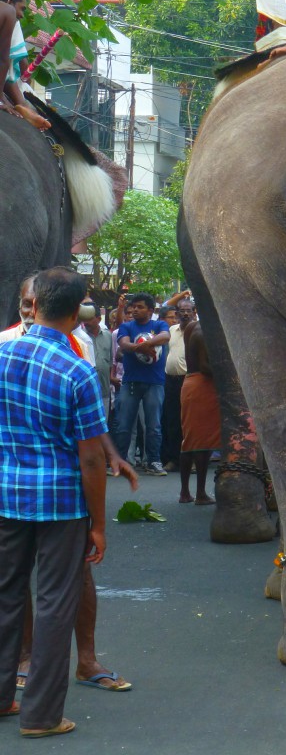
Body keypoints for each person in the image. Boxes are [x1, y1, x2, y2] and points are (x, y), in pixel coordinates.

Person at [0, 267, 109, 737]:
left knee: (7, 598)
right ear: (75, 311)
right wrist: (99, 524)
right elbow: (91, 458)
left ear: (35, 303)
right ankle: (41, 715)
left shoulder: (1, 355)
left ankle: (5, 697)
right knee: (54, 604)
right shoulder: (77, 369)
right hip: (62, 503)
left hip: (7, 495)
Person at [114, 292, 171, 475]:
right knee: (123, 424)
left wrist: (144, 344)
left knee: (153, 425)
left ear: (151, 310)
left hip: (155, 382)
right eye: (134, 307)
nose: (135, 310)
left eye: (140, 307)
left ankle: (153, 461)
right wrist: (142, 347)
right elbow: (123, 344)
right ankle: (121, 461)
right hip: (130, 382)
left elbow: (165, 337)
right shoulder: (127, 327)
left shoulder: (158, 324)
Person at [178, 319, 221, 505]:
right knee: (203, 443)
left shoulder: (192, 326)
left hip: (190, 383)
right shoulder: (204, 332)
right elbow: (205, 366)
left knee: (190, 440)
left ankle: (185, 492)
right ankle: (200, 493)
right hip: (202, 385)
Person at [0, 0, 50, 129]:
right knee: (9, 71)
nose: (22, 15)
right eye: (22, 8)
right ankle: (22, 104)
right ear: (10, 2)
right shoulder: (8, 12)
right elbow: (6, 61)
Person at [162, 296, 197, 471]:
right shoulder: (172, 329)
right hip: (170, 381)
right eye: (181, 311)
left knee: (190, 422)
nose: (184, 314)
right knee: (172, 421)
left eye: (188, 310)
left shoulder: (199, 330)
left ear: (194, 313)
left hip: (189, 380)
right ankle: (174, 459)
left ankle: (190, 460)